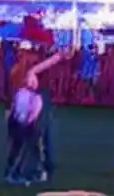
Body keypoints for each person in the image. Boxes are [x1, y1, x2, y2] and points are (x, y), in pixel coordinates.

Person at [4, 47, 67, 185]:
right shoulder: (24, 72)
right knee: (36, 142)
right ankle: (32, 171)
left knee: (32, 143)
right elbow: (36, 70)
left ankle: (32, 171)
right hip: (31, 109)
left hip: (26, 111)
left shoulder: (20, 72)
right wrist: (58, 57)